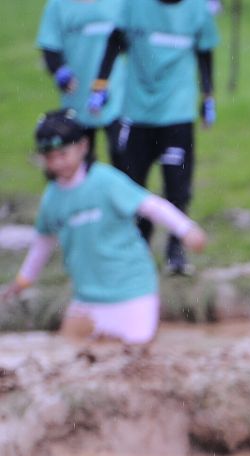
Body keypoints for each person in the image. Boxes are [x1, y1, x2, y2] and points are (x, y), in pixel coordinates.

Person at [2, 110, 205, 345]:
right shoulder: (52, 198)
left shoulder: (105, 181)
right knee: (66, 354)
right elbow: (42, 243)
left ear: (83, 146)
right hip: (87, 298)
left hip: (132, 293)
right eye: (49, 157)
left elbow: (151, 206)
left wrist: (186, 229)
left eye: (63, 154)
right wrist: (23, 281)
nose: (57, 163)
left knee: (137, 361)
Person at [89, 0, 219, 276]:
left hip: (178, 113)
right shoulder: (133, 5)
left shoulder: (198, 10)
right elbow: (114, 42)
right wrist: (101, 83)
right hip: (137, 113)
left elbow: (205, 52)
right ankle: (139, 245)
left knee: (178, 185)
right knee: (133, 184)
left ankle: (176, 250)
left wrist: (208, 94)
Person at [37, 0, 128, 166]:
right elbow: (49, 47)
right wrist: (60, 72)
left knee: (123, 157)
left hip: (116, 95)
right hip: (76, 99)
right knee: (80, 164)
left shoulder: (119, 3)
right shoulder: (57, 6)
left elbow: (127, 41)